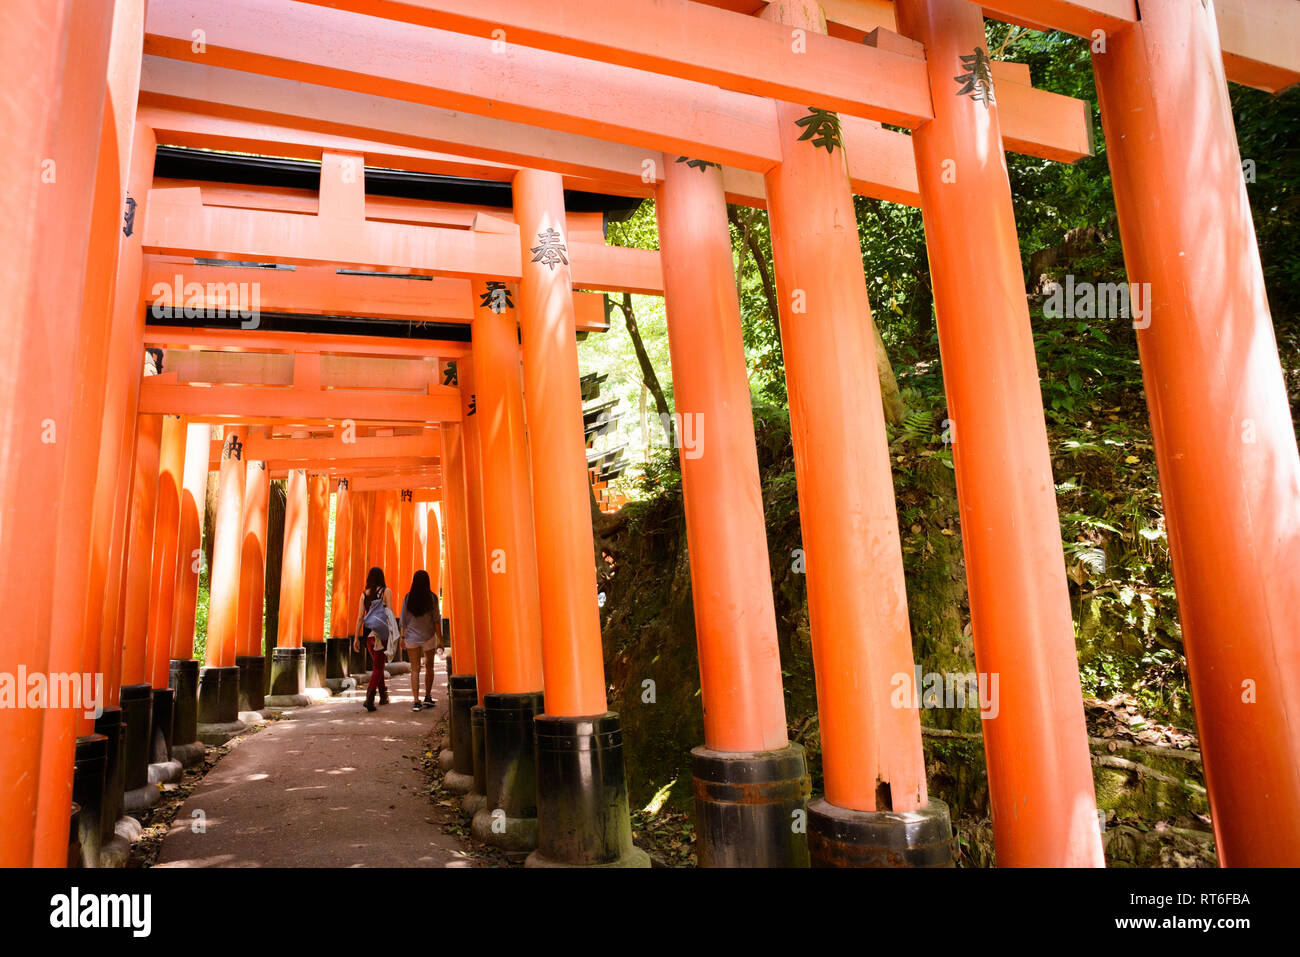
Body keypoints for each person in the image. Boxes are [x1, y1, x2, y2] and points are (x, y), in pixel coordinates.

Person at [399, 570, 442, 711]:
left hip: (411, 637)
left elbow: (403, 621)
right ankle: (428, 696)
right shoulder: (433, 598)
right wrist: (440, 639)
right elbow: (436, 621)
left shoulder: (408, 598)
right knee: (429, 667)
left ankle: (416, 701)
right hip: (429, 636)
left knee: (415, 669)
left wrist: (402, 637)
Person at [353, 566, 395, 712]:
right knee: (379, 667)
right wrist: (393, 634)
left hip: (368, 636)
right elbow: (389, 613)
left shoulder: (364, 594)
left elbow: (360, 618)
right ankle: (369, 698)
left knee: (378, 666)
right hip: (380, 635)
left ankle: (383, 695)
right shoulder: (386, 591)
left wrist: (356, 638)